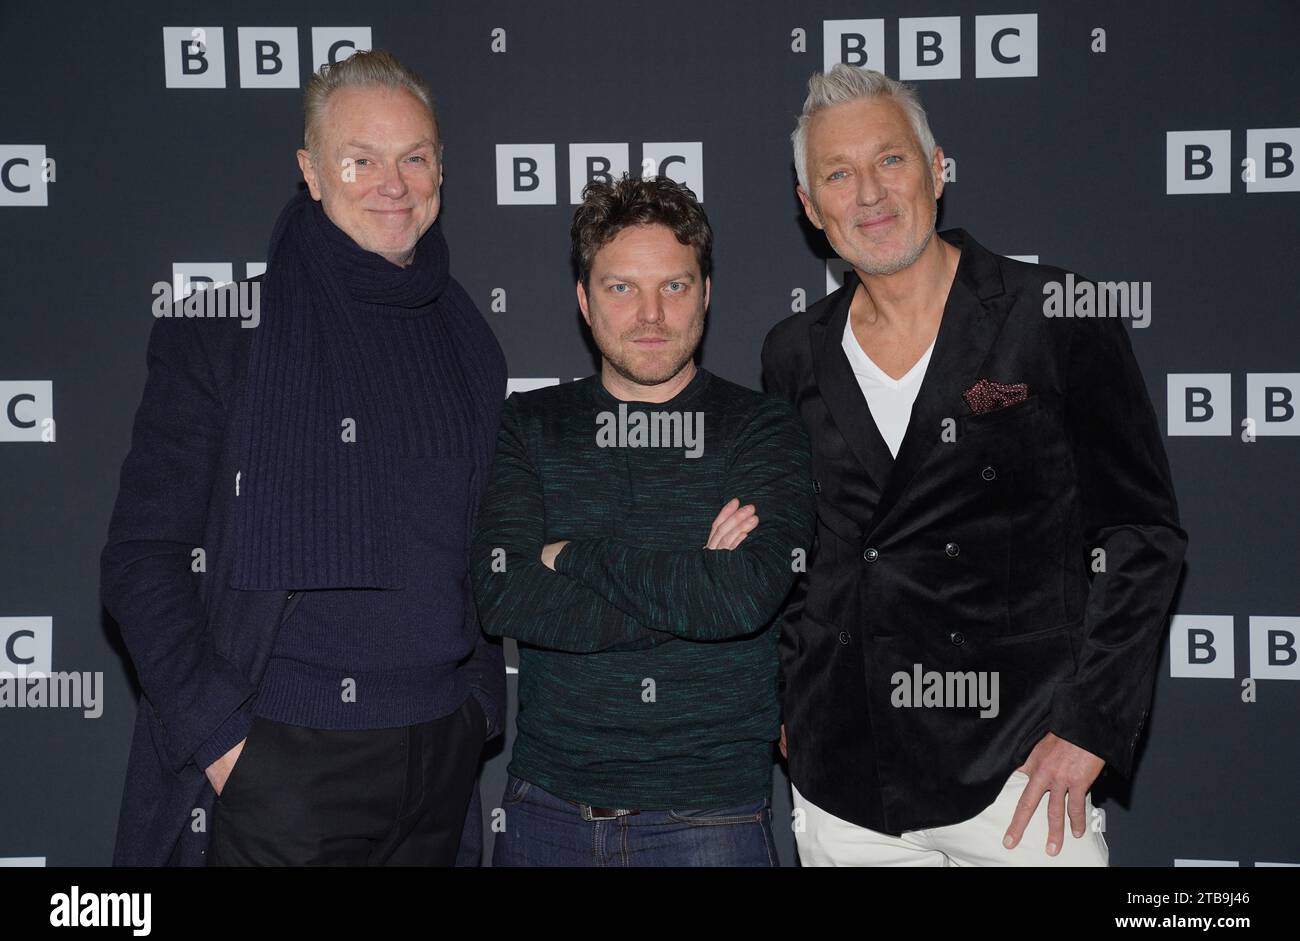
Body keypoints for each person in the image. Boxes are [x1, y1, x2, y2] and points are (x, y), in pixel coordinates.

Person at [762, 64, 1186, 866]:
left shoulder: (1055, 313)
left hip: (1021, 777)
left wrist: (1091, 725)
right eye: (838, 175)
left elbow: (1140, 535)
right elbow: (798, 548)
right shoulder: (792, 352)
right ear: (811, 208)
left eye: (890, 160)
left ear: (938, 168)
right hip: (847, 781)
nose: (870, 194)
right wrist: (792, 697)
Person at [101, 49, 506, 866]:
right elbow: (142, 560)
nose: (392, 183)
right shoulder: (222, 335)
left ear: (440, 170)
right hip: (278, 762)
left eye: (414, 157)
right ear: (311, 172)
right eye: (361, 159)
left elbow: (479, 548)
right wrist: (226, 747)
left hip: (437, 757)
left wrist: (476, 710)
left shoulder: (468, 343)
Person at [471, 174, 815, 866]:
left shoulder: (763, 429)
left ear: (707, 294)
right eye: (622, 287)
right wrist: (695, 583)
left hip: (710, 816)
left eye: (675, 286)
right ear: (584, 302)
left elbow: (742, 596)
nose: (650, 314)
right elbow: (502, 591)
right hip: (545, 810)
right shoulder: (530, 426)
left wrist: (571, 556)